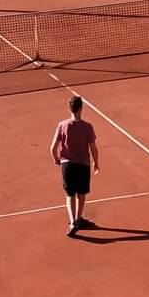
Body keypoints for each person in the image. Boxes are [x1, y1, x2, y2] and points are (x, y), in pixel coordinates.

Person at [50, 94, 101, 236]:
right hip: (83, 165)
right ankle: (78, 219)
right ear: (81, 108)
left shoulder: (62, 125)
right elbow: (93, 148)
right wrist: (96, 163)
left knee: (70, 195)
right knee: (81, 194)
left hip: (67, 166)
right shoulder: (88, 127)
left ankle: (72, 221)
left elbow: (53, 148)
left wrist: (56, 159)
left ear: (69, 108)